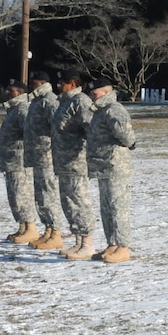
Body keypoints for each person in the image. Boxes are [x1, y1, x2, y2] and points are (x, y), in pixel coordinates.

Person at [86, 76, 136, 263]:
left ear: (106, 92)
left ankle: (122, 247)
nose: (92, 95)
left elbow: (126, 136)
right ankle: (112, 244)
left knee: (118, 207)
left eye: (95, 92)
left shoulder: (114, 110)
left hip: (116, 166)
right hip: (103, 166)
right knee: (106, 208)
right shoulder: (100, 111)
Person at [52, 69, 96, 260]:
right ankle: (78, 240)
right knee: (68, 202)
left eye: (63, 82)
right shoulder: (65, 102)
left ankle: (88, 243)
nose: (59, 85)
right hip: (63, 162)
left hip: (76, 162)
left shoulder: (80, 102)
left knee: (79, 201)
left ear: (73, 83)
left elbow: (90, 129)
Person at [23, 69, 65, 250]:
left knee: (48, 194)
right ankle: (47, 229)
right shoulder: (36, 101)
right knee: (40, 195)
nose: (33, 85)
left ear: (42, 83)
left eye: (35, 82)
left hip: (47, 155)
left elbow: (56, 127)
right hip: (37, 155)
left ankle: (56, 231)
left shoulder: (49, 100)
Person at [0, 79, 38, 244]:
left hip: (19, 160)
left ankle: (30, 227)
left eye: (12, 90)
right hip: (10, 161)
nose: (8, 93)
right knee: (15, 195)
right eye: (8, 89)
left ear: (21, 93)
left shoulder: (22, 109)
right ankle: (22, 226)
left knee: (22, 194)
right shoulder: (13, 109)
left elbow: (29, 133)